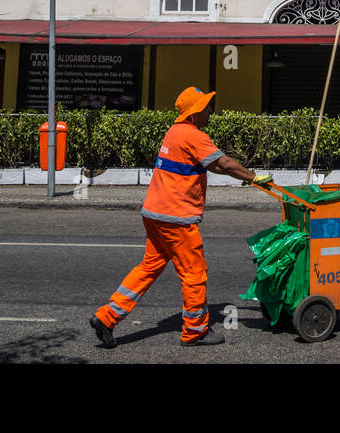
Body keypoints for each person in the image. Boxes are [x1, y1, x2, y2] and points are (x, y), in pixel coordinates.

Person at [90, 87, 271, 347]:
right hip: (177, 218)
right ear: (195, 113)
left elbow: (213, 165)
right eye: (207, 107)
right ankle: (195, 331)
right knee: (194, 273)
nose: (210, 111)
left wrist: (243, 177)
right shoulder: (193, 135)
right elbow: (226, 164)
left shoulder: (175, 132)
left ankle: (107, 317)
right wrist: (253, 177)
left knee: (148, 268)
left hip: (154, 214)